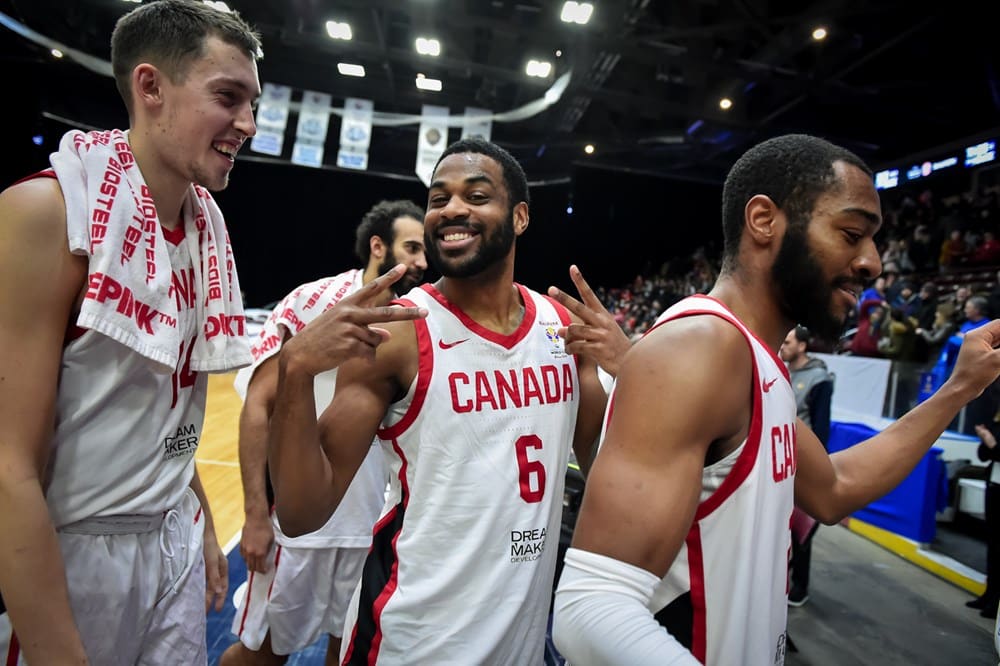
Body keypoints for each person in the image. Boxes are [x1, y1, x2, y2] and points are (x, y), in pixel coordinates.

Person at [550, 134, 1000, 665]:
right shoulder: (702, 347)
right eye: (852, 233)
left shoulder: (757, 361)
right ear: (763, 220)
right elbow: (589, 608)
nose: (873, 263)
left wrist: (960, 389)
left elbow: (835, 488)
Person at [267, 137, 627, 664]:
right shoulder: (400, 333)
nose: (453, 208)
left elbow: (608, 474)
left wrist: (634, 370)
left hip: (520, 642)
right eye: (439, 198)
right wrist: (294, 370)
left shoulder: (562, 331)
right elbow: (301, 512)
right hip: (412, 639)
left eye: (477, 196)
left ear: (520, 217)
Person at [0, 2, 262, 663]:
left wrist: (196, 518)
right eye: (228, 97)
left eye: (252, 102)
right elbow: (6, 468)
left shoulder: (205, 230)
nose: (249, 125)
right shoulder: (46, 213)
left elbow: (162, 407)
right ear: (151, 88)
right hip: (74, 552)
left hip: (172, 531)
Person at [219, 200, 427, 666]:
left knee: (348, 652)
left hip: (375, 532)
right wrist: (254, 515)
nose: (422, 261)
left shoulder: (418, 322)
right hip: (300, 530)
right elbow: (258, 405)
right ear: (378, 246)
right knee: (260, 655)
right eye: (412, 248)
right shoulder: (313, 301)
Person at [779, 325, 834, 607]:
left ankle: (800, 585)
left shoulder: (819, 379)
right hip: (779, 459)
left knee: (801, 529)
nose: (783, 345)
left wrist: (815, 466)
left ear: (802, 345)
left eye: (788, 342)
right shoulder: (778, 368)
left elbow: (821, 426)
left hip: (802, 464)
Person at [969, 422, 1000, 620]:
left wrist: (990, 441)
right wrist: (986, 440)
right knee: (993, 545)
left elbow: (996, 452)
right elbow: (983, 455)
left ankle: (995, 601)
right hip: (994, 487)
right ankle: (989, 594)